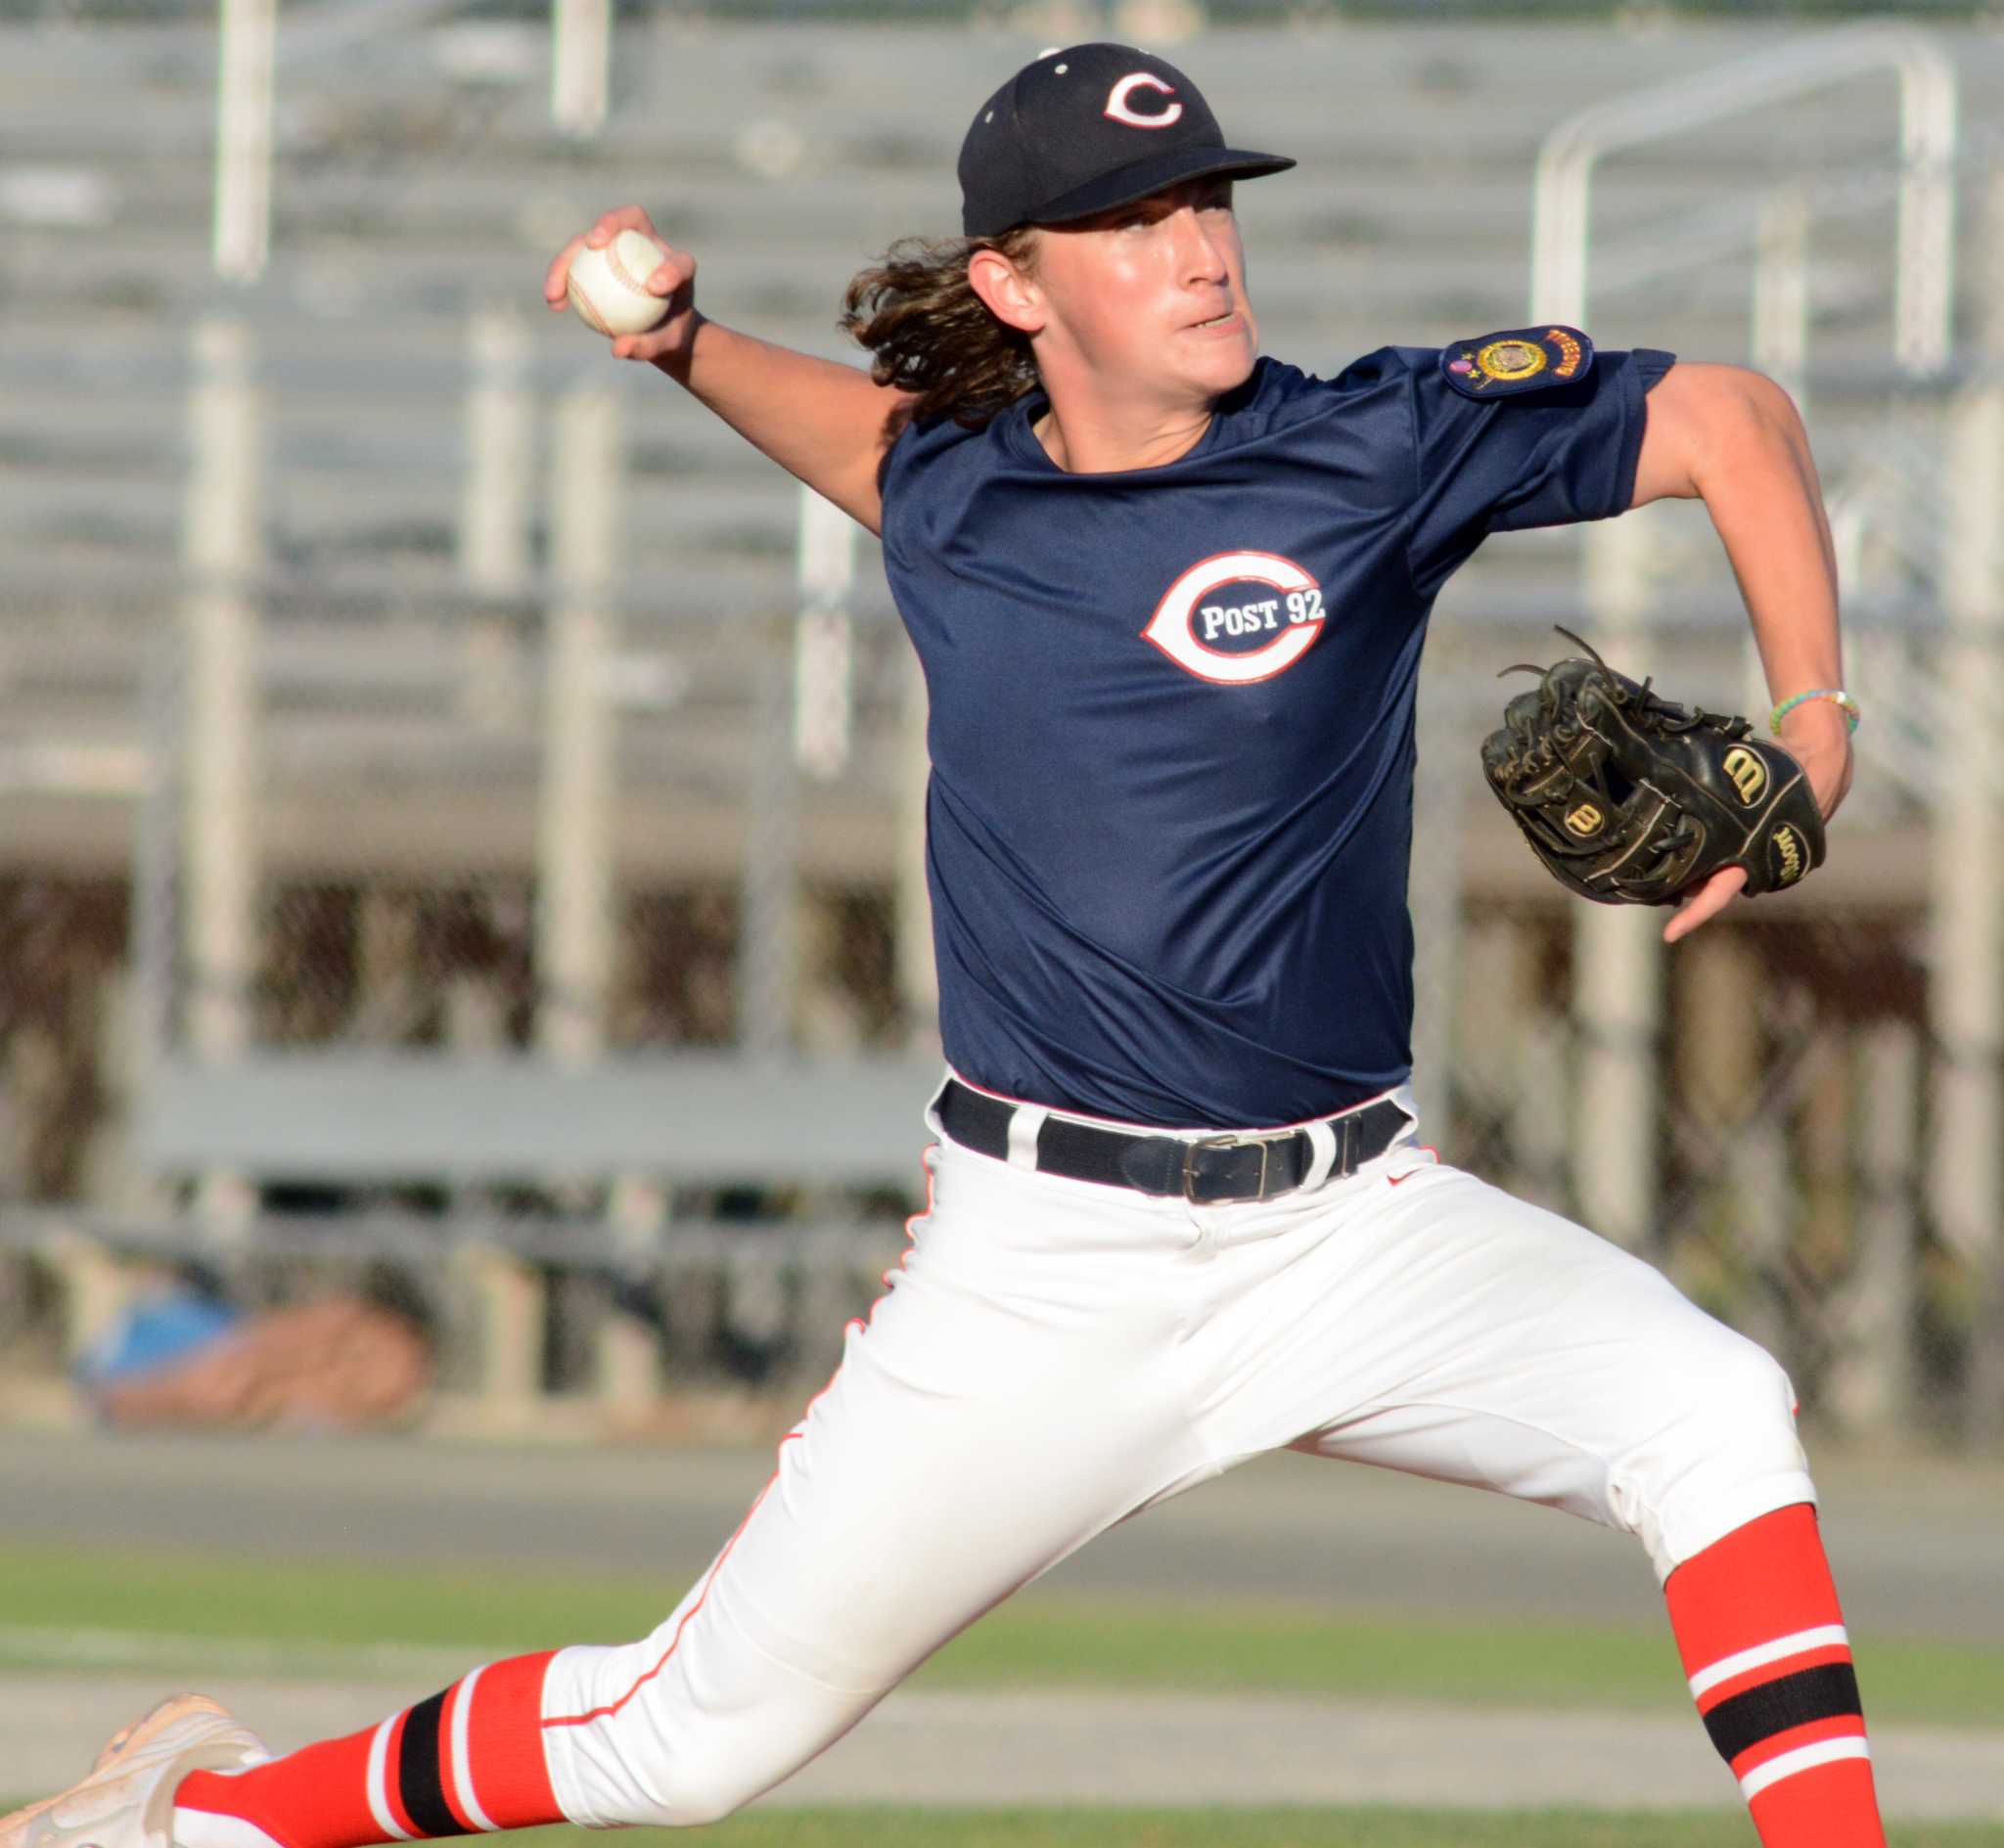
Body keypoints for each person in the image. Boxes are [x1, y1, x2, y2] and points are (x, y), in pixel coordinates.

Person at [7, 41, 1876, 1848]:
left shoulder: (1371, 444)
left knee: (1707, 1406)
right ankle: (206, 1815)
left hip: (1353, 1224)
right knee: (685, 1742)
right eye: (1138, 220)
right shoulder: (960, 496)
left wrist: (1813, 708)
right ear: (1018, 279)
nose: (1203, 247)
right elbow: (840, 426)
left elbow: (1733, 416)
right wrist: (672, 345)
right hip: (1051, 1262)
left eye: (1210, 201)